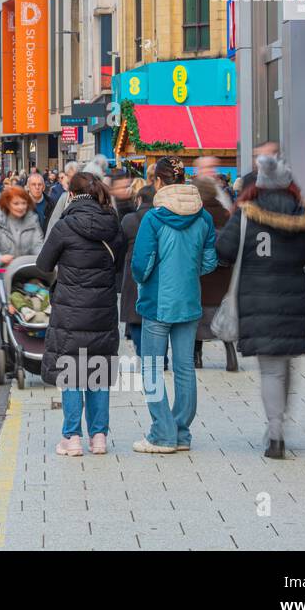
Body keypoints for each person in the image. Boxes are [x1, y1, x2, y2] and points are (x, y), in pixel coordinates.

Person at [216, 155, 305, 459]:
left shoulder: (246, 213)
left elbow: (223, 250)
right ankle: (279, 426)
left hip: (255, 300)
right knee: (285, 363)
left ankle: (275, 431)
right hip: (292, 300)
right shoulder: (302, 214)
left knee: (270, 370)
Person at [130, 157, 218, 454]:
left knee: (153, 368)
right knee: (184, 368)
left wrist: (145, 280)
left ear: (158, 182)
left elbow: (141, 264)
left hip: (157, 301)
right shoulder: (204, 217)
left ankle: (161, 433)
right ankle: (181, 432)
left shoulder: (153, 219)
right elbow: (209, 261)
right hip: (189, 299)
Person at [36, 172, 125, 455]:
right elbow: (119, 263)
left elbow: (43, 264)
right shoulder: (113, 223)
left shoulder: (64, 226)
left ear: (71, 196)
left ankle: (72, 438)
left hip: (70, 310)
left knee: (72, 371)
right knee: (97, 370)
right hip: (103, 308)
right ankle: (98, 437)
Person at [193, 171, 238, 371]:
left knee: (198, 318)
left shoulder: (196, 215)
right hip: (223, 274)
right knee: (222, 313)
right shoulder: (226, 213)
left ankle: (197, 357)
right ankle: (231, 356)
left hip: (202, 273)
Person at [0, 185, 45, 309]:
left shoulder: (32, 219)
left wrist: (42, 258)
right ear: (7, 204)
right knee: (6, 313)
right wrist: (0, 258)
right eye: (16, 203)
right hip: (0, 275)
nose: (21, 207)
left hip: (23, 273)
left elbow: (38, 244)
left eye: (24, 203)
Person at [119, 183, 155, 355]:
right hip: (156, 270)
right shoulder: (160, 219)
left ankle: (142, 352)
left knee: (134, 317)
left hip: (132, 270)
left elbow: (120, 243)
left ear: (139, 199)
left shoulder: (129, 220)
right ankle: (160, 359)